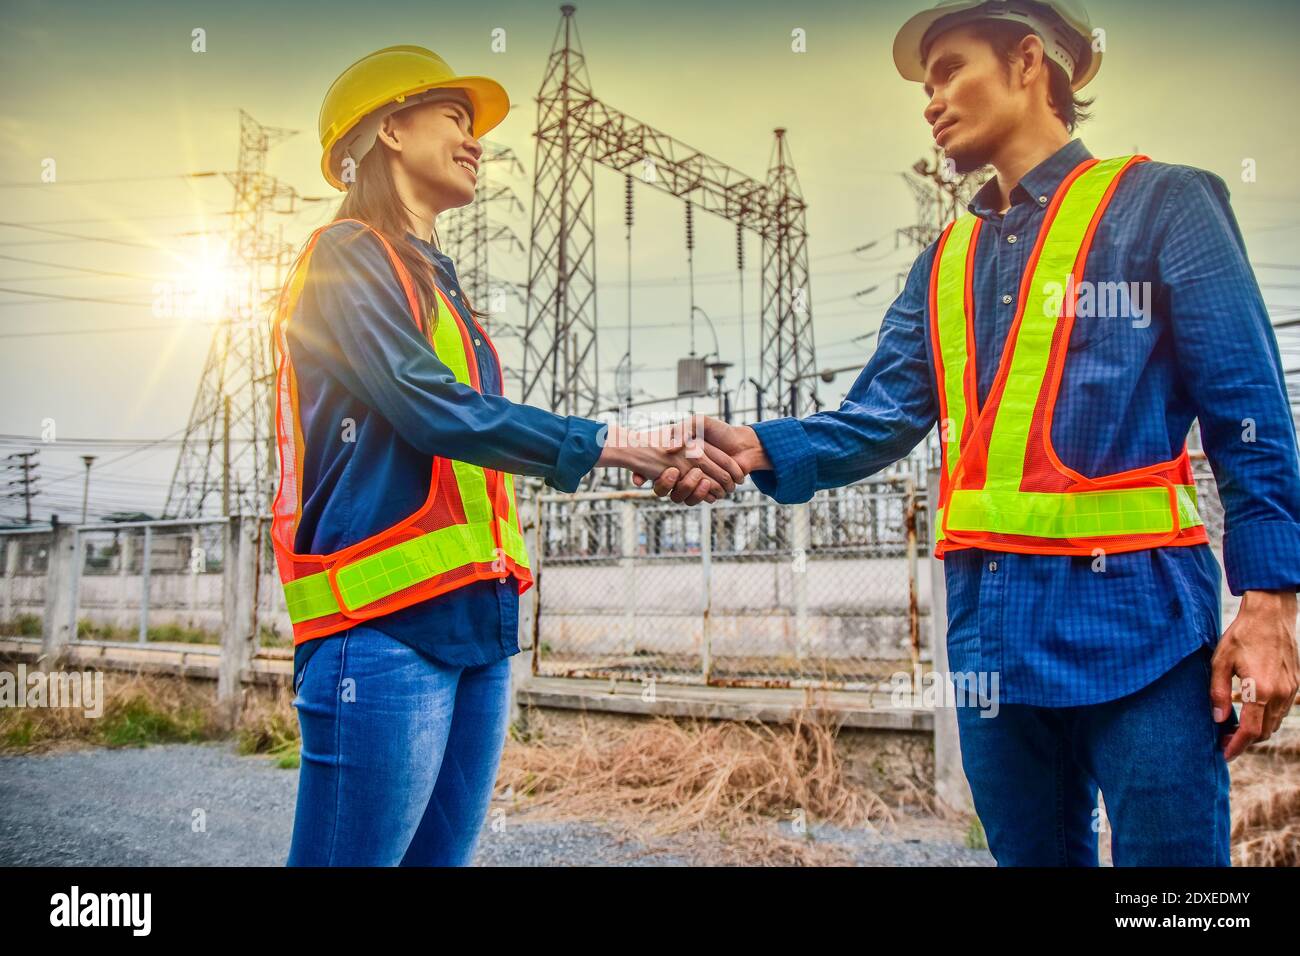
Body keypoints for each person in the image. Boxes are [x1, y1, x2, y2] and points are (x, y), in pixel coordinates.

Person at [647, 0, 1300, 865]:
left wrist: (1270, 603)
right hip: (994, 645)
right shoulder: (946, 259)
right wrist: (756, 446)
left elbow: (1248, 414)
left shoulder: (1164, 205)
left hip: (1141, 637)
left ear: (1028, 62)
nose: (931, 98)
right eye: (927, 83)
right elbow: (880, 414)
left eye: (950, 69)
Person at [274, 46, 741, 866]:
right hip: (379, 635)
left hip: (475, 626)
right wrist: (624, 446)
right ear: (390, 129)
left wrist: (638, 454)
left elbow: (475, 434)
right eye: (456, 118)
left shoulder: (435, 279)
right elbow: (435, 409)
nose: (476, 140)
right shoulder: (345, 256)